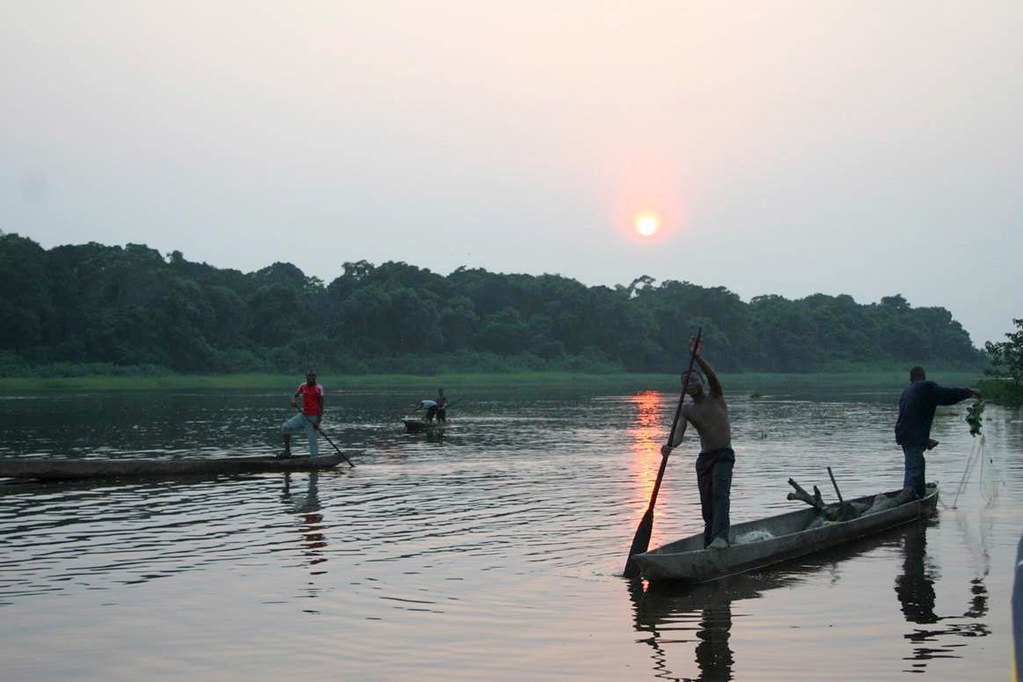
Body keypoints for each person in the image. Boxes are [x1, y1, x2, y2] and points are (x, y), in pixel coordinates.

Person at [661, 340, 735, 550]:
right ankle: (710, 540)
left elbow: (713, 377)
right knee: (707, 506)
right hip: (704, 460)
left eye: (693, 379)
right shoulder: (686, 409)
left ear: (701, 381)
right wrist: (669, 447)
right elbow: (678, 435)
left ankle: (722, 538)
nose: (690, 383)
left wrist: (697, 357)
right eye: (686, 382)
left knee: (720, 495)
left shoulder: (716, 395)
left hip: (723, 455)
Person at [894, 365, 980, 499]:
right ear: (923, 377)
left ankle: (919, 496)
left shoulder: (907, 391)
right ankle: (909, 499)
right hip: (912, 436)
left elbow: (911, 417)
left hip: (904, 434)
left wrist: (924, 439)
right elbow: (948, 396)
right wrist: (970, 392)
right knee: (914, 470)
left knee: (917, 466)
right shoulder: (925, 387)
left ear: (910, 379)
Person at [280, 370, 325, 458]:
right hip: (303, 416)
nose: (311, 378)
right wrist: (293, 401)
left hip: (313, 418)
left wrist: (318, 421)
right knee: (285, 427)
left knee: (312, 441)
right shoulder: (303, 386)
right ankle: (287, 452)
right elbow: (294, 396)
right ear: (306, 377)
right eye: (309, 376)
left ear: (316, 377)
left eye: (313, 376)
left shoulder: (319, 388)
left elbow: (322, 406)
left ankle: (314, 461)